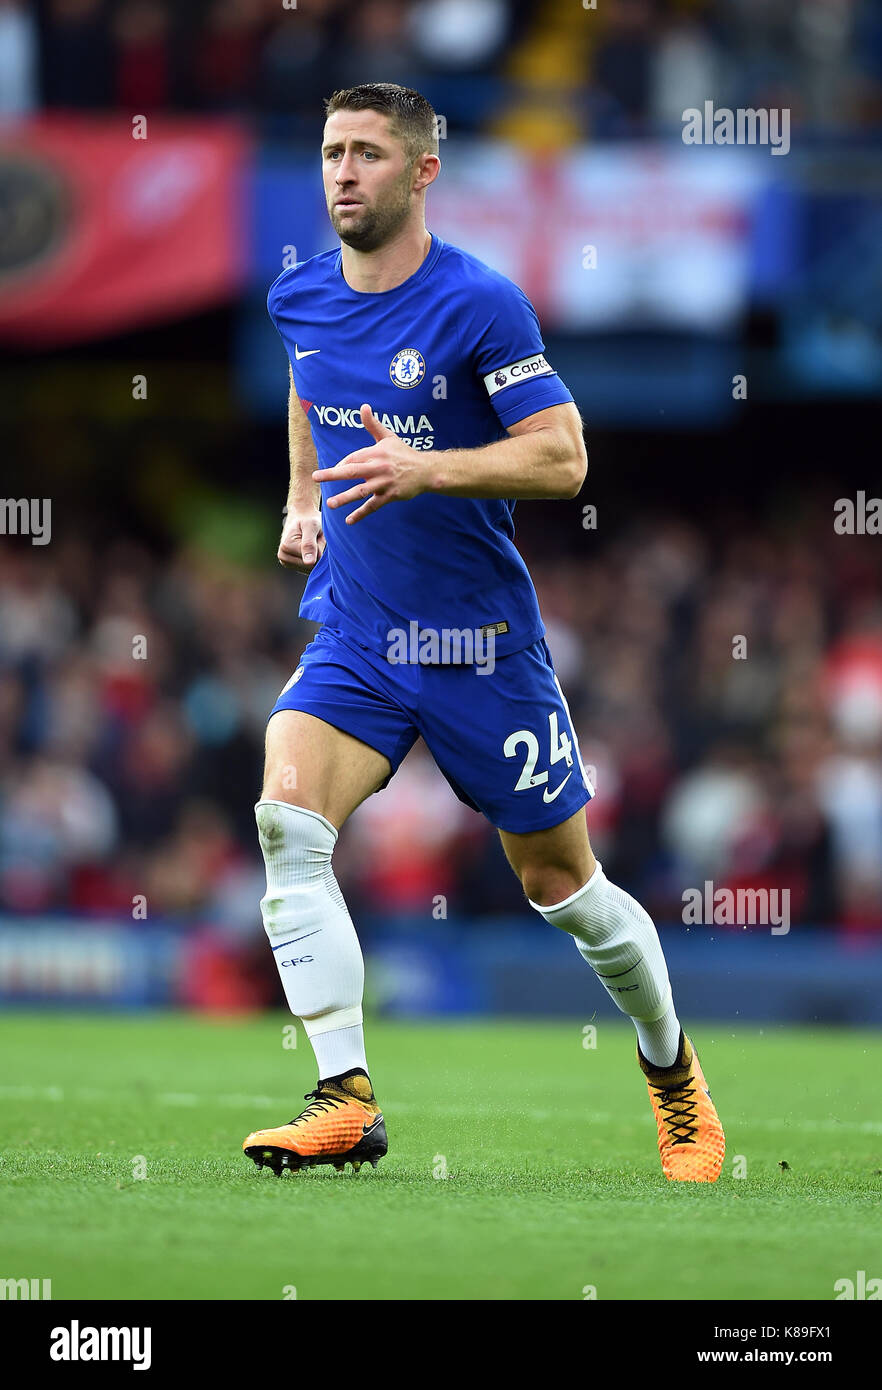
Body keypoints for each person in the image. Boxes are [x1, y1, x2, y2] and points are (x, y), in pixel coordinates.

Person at [242, 82, 724, 1183]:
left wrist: (429, 469)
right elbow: (308, 387)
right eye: (329, 151)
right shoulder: (300, 296)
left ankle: (671, 1070)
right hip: (358, 631)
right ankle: (344, 1096)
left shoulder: (482, 304)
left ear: (423, 172)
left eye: (367, 152)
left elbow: (564, 458)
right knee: (286, 816)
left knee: (564, 887)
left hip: (478, 648)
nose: (342, 172)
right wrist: (302, 500)